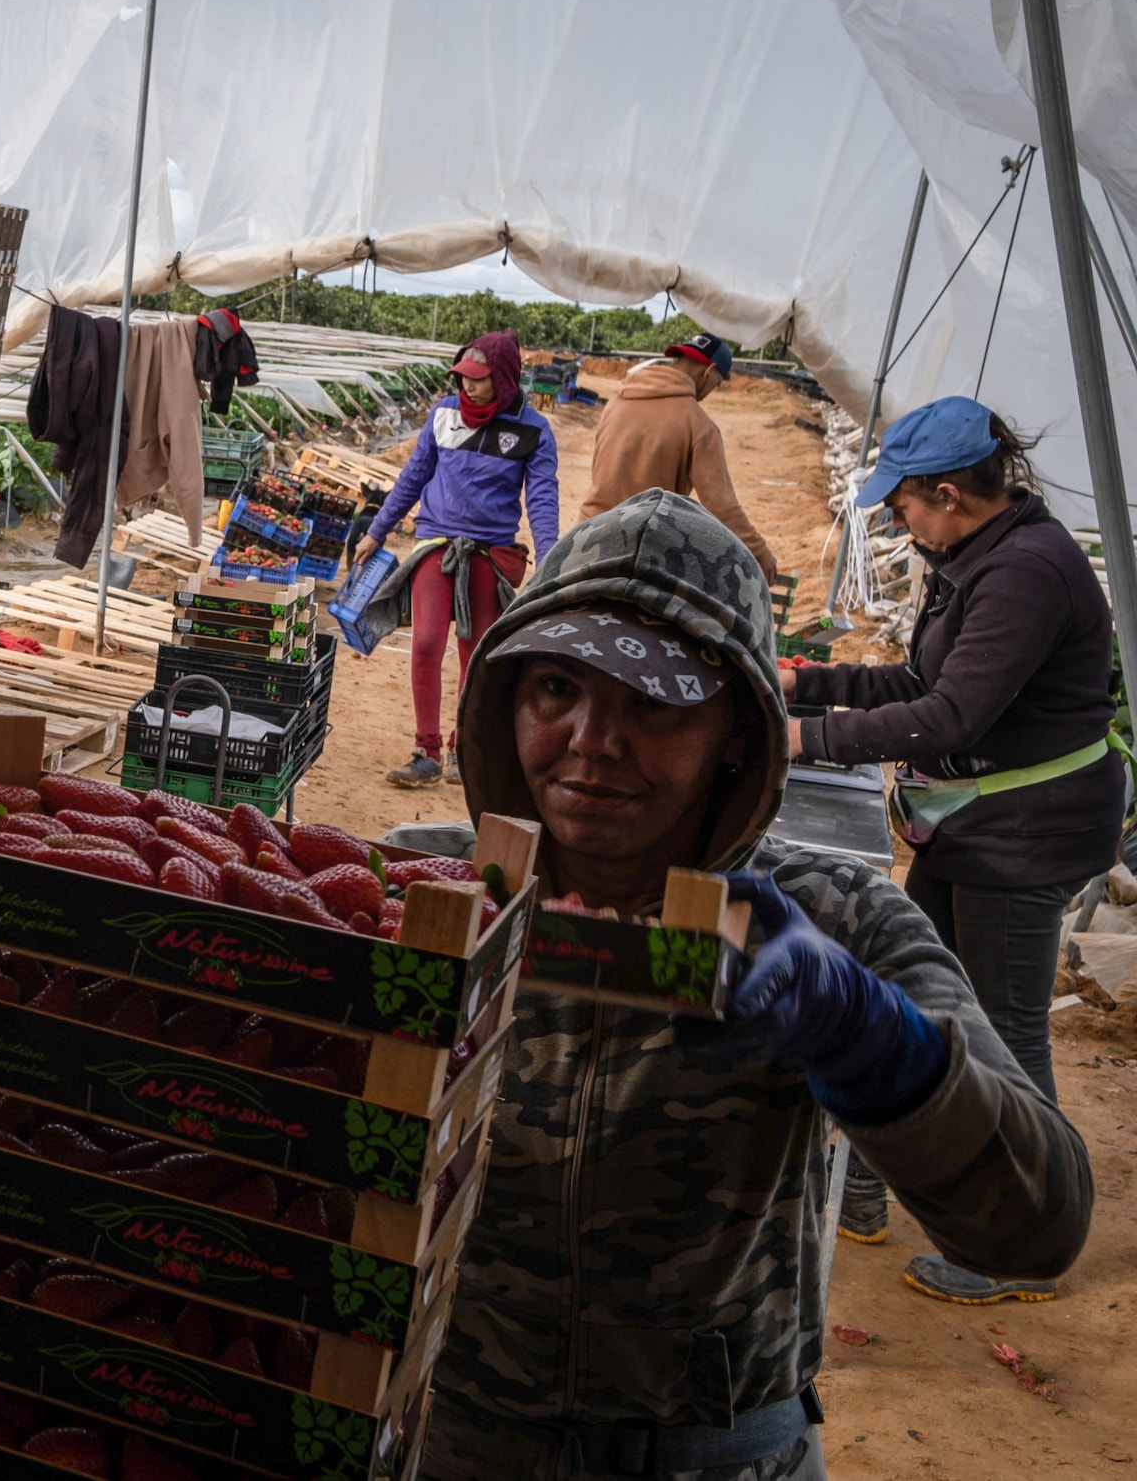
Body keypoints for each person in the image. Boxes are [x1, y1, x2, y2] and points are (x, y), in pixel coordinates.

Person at [399, 489, 1089, 1481]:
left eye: (652, 699)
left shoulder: (827, 922)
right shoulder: (426, 895)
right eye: (555, 686)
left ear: (737, 727)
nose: (591, 737)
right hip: (451, 1442)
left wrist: (878, 1047)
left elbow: (1039, 1225)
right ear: (502, 694)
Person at [784, 396, 1122, 1300]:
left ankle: (1022, 1241)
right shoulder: (976, 554)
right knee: (908, 989)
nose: (900, 523)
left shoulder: (1027, 573)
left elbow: (950, 715)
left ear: (947, 494)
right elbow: (919, 677)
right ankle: (864, 1189)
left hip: (1026, 832)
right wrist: (803, 685)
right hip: (975, 821)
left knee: (1004, 1030)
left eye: (903, 508)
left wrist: (802, 741)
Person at [351, 330, 559, 788]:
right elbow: (413, 477)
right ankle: (424, 750)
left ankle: (461, 747)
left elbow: (542, 499)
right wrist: (376, 531)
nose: (468, 386)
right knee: (426, 641)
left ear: (503, 379)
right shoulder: (443, 414)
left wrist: (549, 559)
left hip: (489, 552)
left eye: (479, 379)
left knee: (476, 654)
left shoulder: (534, 431)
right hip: (436, 544)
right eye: (462, 377)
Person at [578, 332, 779, 577]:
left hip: (585, 535)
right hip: (638, 547)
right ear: (709, 371)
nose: (709, 392)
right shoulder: (699, 425)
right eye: (716, 383)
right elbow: (721, 505)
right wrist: (760, 551)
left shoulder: (618, 399)